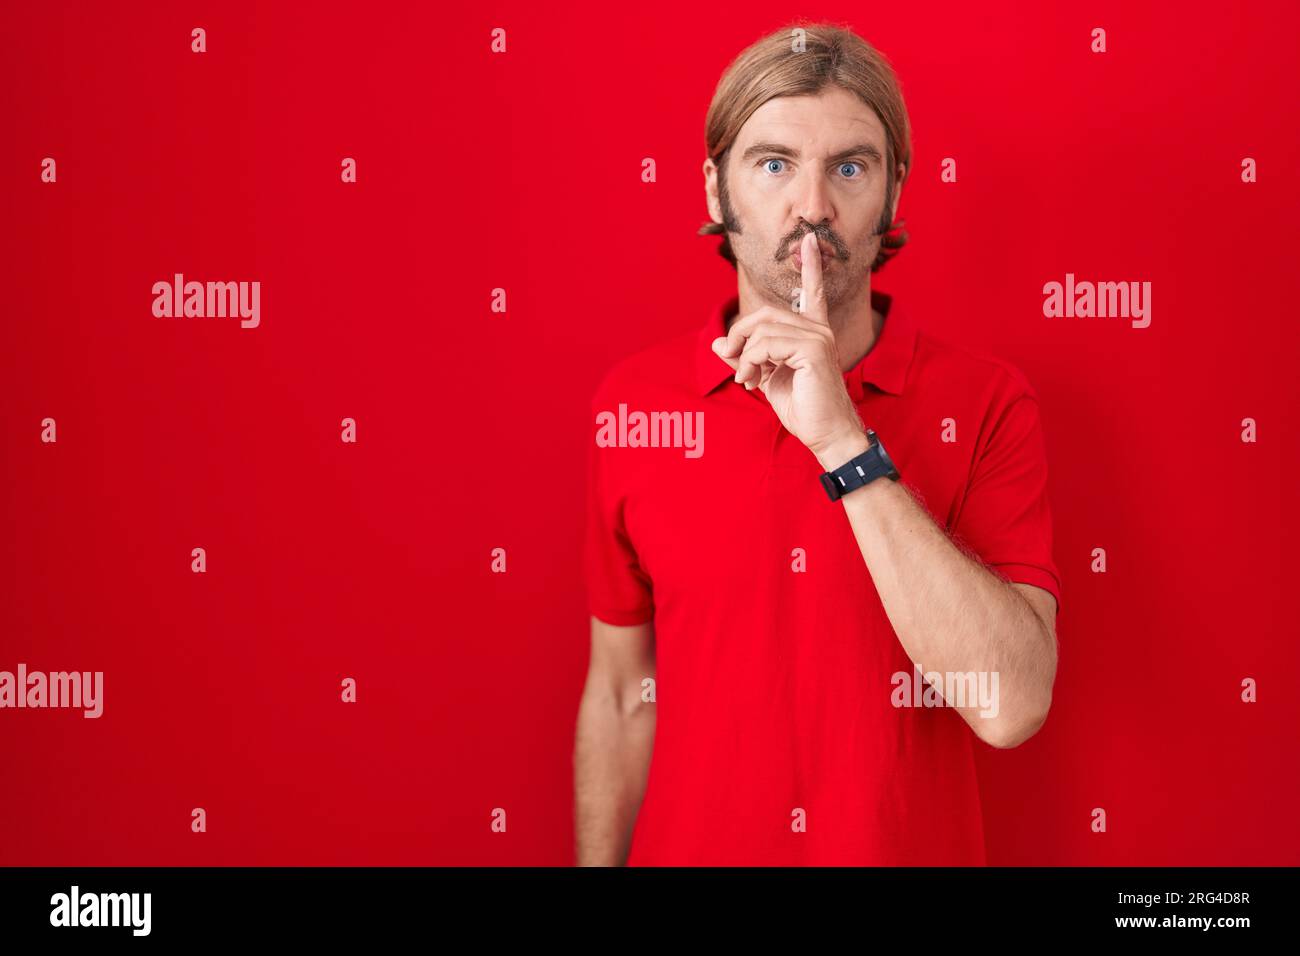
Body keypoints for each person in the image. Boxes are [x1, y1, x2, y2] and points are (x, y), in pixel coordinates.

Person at [574, 22, 1062, 866]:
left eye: (850, 166)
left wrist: (845, 441)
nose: (812, 207)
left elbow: (1012, 705)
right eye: (773, 164)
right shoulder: (634, 405)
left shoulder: (987, 404)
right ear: (714, 190)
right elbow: (621, 695)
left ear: (895, 190)